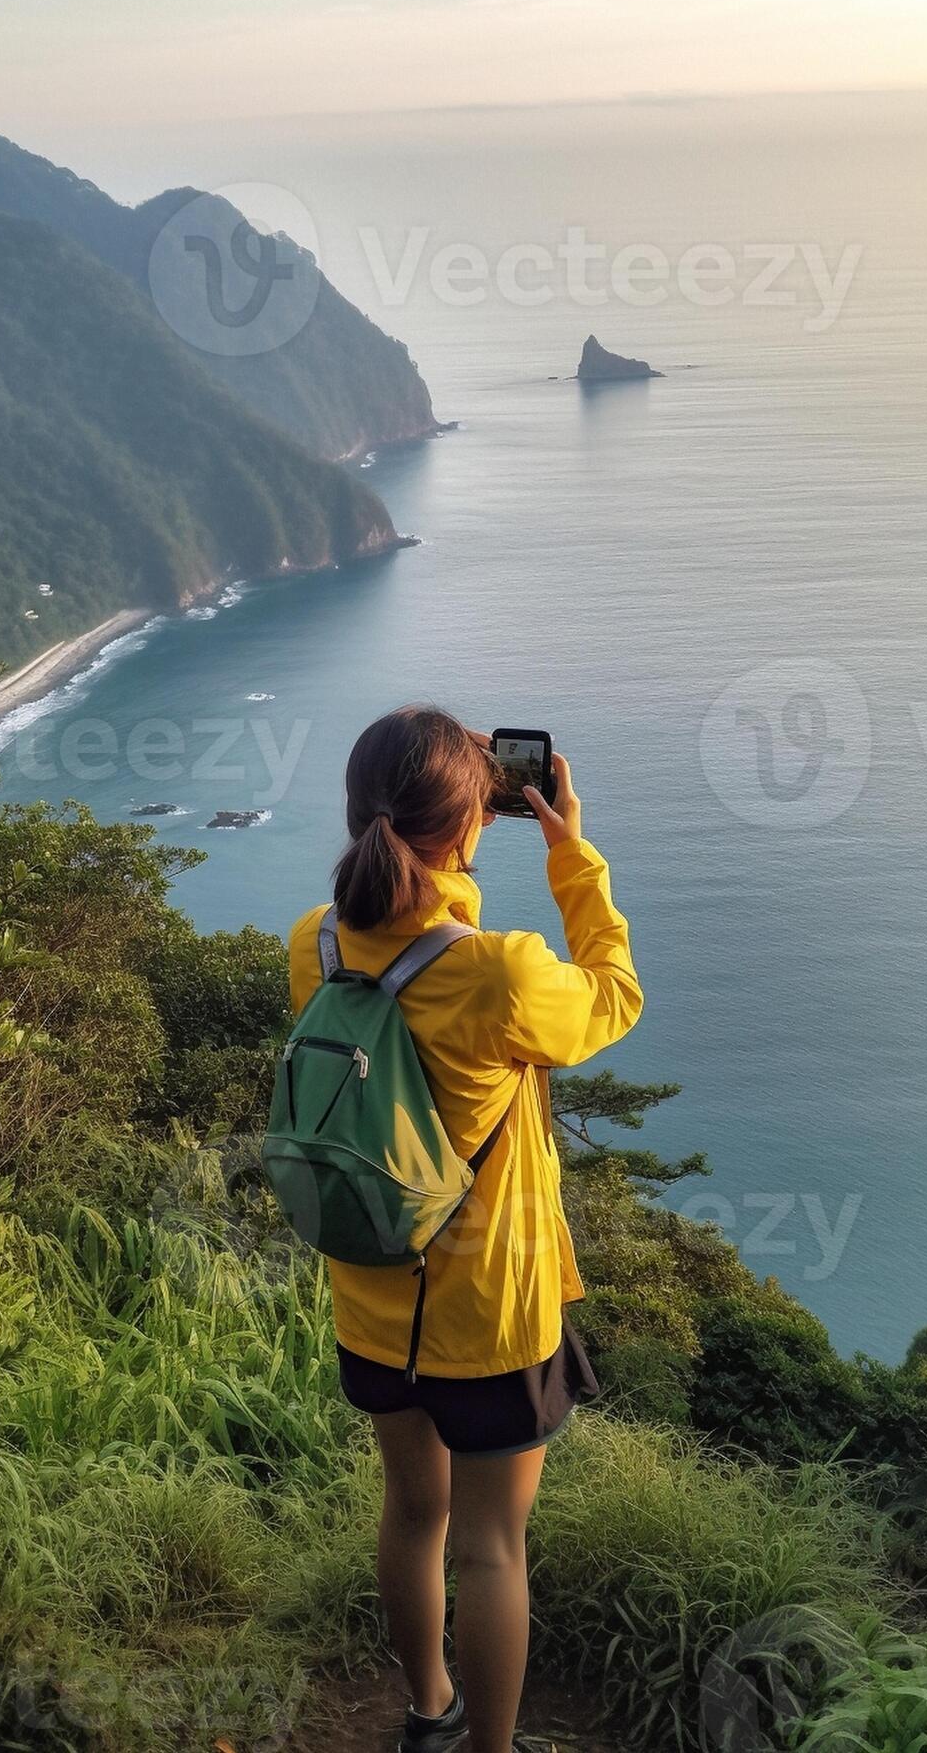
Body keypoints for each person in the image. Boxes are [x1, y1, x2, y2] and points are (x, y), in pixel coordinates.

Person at [287, 707, 643, 1753]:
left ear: (359, 813)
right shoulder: (499, 972)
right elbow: (615, 995)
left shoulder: (309, 944)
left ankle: (428, 1713)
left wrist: (457, 838)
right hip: (490, 1309)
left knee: (411, 1513)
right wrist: (569, 847)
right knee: (491, 1545)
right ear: (471, 822)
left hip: (369, 1289)